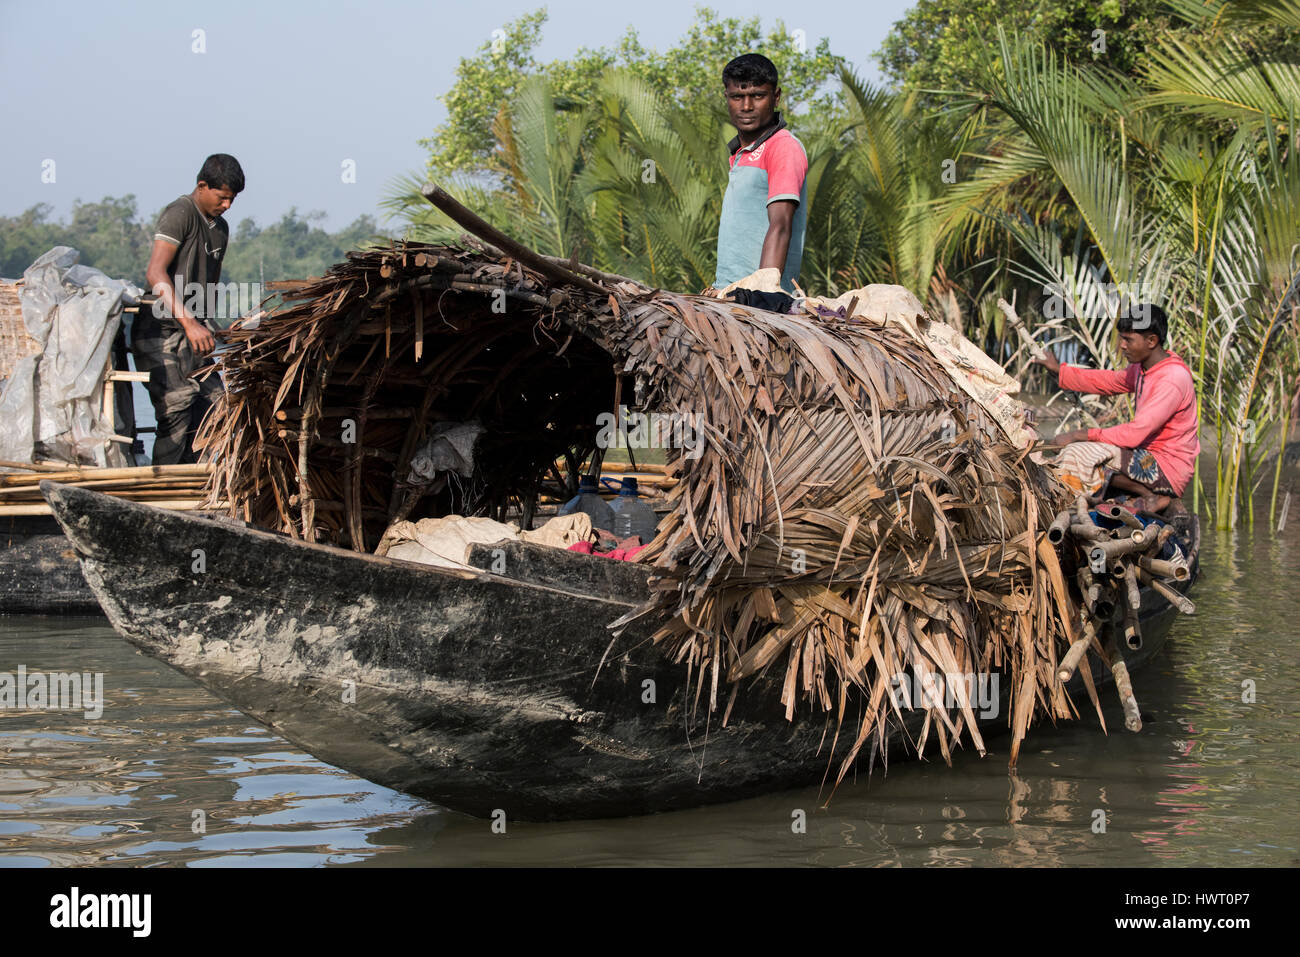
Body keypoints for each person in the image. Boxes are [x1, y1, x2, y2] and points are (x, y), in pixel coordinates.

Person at [1034, 304, 1200, 512]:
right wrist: (1060, 371)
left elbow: (1135, 432)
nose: (1122, 345)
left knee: (1076, 454)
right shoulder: (1143, 369)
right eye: (1122, 338)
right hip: (1145, 457)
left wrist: (1078, 434)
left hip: (1166, 470)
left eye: (1128, 339)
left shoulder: (1171, 380)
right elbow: (1110, 381)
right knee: (1075, 455)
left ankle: (1152, 494)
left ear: (1151, 341)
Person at [135, 153, 244, 464]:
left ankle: (197, 487)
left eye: (232, 199)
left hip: (194, 332)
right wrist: (190, 323)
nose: (227, 206)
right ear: (202, 186)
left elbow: (209, 285)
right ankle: (164, 490)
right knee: (176, 407)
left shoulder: (220, 229)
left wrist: (211, 326)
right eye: (222, 197)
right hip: (161, 329)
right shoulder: (180, 212)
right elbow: (155, 273)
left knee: (218, 405)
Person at [705, 53, 808, 312]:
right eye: (737, 97)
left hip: (756, 302)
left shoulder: (782, 146)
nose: (747, 106)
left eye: (758, 96)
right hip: (726, 295)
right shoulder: (741, 153)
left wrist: (760, 298)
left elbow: (781, 225)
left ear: (776, 97)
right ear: (727, 98)